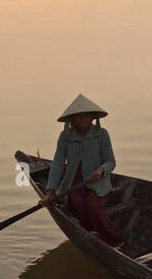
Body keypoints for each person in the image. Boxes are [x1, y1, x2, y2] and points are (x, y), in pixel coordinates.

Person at [41, 94, 125, 249]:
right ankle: (90, 231)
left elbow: (111, 162)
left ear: (93, 117)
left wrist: (100, 170)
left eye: (86, 115)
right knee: (78, 203)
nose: (83, 119)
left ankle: (115, 239)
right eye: (78, 116)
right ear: (72, 119)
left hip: (97, 181)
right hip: (74, 181)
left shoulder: (102, 134)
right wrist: (50, 191)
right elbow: (58, 164)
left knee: (92, 203)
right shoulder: (65, 136)